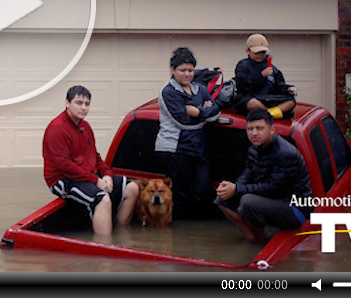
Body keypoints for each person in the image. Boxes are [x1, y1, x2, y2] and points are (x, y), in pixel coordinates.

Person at [43, 85, 140, 235]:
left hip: (87, 175)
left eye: (87, 104)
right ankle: (104, 248)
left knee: (132, 188)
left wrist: (106, 174)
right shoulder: (57, 128)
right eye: (79, 103)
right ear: (67, 103)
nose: (83, 108)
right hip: (62, 179)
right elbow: (64, 165)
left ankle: (121, 235)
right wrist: (96, 181)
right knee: (103, 200)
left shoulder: (85, 126)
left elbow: (95, 156)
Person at [215, 109, 313, 243]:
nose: (254, 133)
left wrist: (237, 190)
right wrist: (233, 188)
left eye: (259, 128)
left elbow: (274, 188)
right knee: (222, 198)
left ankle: (259, 243)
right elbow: (247, 173)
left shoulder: (285, 154)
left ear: (272, 129)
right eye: (250, 129)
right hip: (271, 199)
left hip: (295, 208)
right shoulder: (254, 148)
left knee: (248, 202)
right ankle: (251, 238)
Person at [154, 47, 222, 220]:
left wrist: (198, 112)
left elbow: (216, 112)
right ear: (173, 70)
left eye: (190, 70)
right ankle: (177, 234)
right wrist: (205, 113)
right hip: (174, 148)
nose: (187, 74)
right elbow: (183, 121)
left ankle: (194, 232)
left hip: (198, 148)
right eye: (182, 70)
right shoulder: (168, 92)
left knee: (204, 190)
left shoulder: (200, 89)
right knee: (180, 194)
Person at [234, 34, 298, 119]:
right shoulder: (242, 65)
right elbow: (243, 84)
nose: (260, 55)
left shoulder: (272, 67)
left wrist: (288, 88)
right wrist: (261, 76)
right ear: (247, 51)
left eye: (263, 52)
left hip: (268, 98)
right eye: (257, 52)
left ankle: (269, 114)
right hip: (251, 97)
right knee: (252, 103)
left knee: (291, 101)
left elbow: (279, 85)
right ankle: (270, 115)